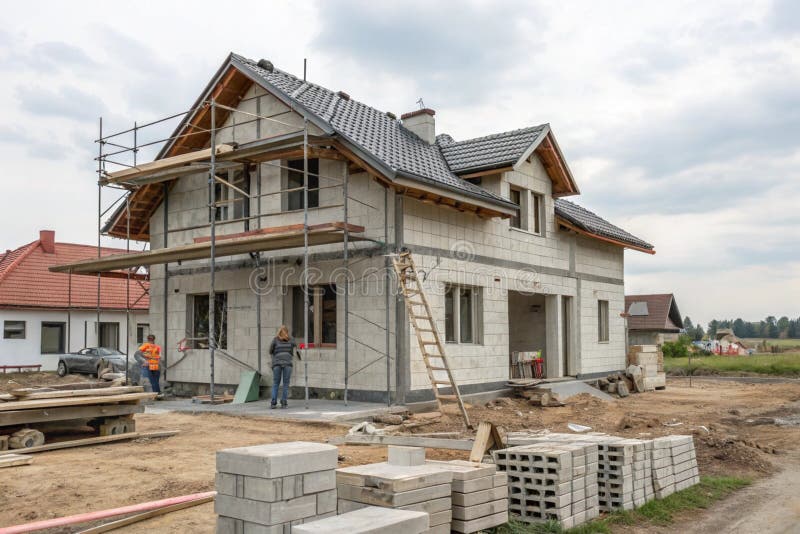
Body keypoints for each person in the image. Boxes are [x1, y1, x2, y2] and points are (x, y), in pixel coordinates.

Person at [268, 325, 296, 408]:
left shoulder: (275, 340)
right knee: (286, 384)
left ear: (279, 331)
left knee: (276, 383)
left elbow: (270, 351)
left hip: (277, 363)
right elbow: (293, 349)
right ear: (287, 332)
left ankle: (273, 403)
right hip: (288, 363)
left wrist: (275, 358)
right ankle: (284, 403)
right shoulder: (291, 340)